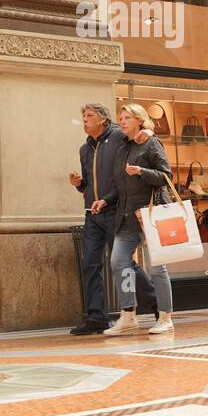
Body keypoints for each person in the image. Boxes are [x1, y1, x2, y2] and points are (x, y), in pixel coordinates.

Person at [68, 104, 155, 335]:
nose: (84, 120)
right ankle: (97, 317)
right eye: (83, 116)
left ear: (103, 120)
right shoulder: (84, 150)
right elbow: (89, 183)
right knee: (91, 265)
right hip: (92, 213)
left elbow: (142, 139)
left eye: (89, 116)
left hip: (116, 211)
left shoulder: (118, 136)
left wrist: (150, 133)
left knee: (124, 262)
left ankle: (154, 303)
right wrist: (80, 185)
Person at [99, 104, 176, 336]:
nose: (121, 121)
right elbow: (119, 185)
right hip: (126, 216)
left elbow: (166, 176)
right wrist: (105, 200)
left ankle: (165, 317)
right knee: (119, 262)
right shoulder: (123, 147)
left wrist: (142, 171)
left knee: (156, 268)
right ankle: (128, 316)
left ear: (140, 121)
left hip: (150, 216)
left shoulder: (151, 142)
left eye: (127, 118)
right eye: (120, 118)